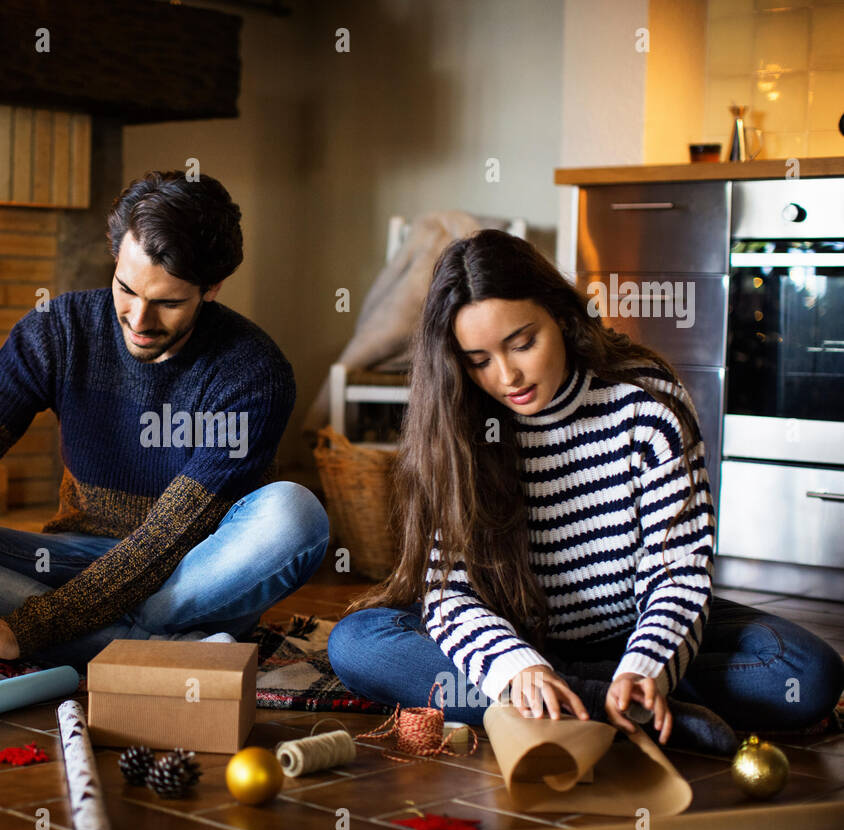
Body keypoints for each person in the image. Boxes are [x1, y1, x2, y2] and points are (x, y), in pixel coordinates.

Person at [327, 229, 843, 755]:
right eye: (479, 360)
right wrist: (516, 665)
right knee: (357, 644)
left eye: (523, 342)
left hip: (632, 630)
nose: (507, 376)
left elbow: (678, 570)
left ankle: (602, 699)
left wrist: (646, 667)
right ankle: (613, 709)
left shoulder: (646, 402)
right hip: (518, 644)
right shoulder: (457, 421)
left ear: (562, 316)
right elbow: (449, 593)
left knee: (805, 673)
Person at [0, 170, 330, 678]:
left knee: (295, 513)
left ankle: (104, 642)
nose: (139, 319)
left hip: (190, 570)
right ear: (115, 259)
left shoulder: (251, 371)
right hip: (74, 560)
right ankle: (162, 653)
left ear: (212, 289)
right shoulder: (57, 331)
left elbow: (169, 537)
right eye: (126, 289)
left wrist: (24, 629)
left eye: (168, 303)